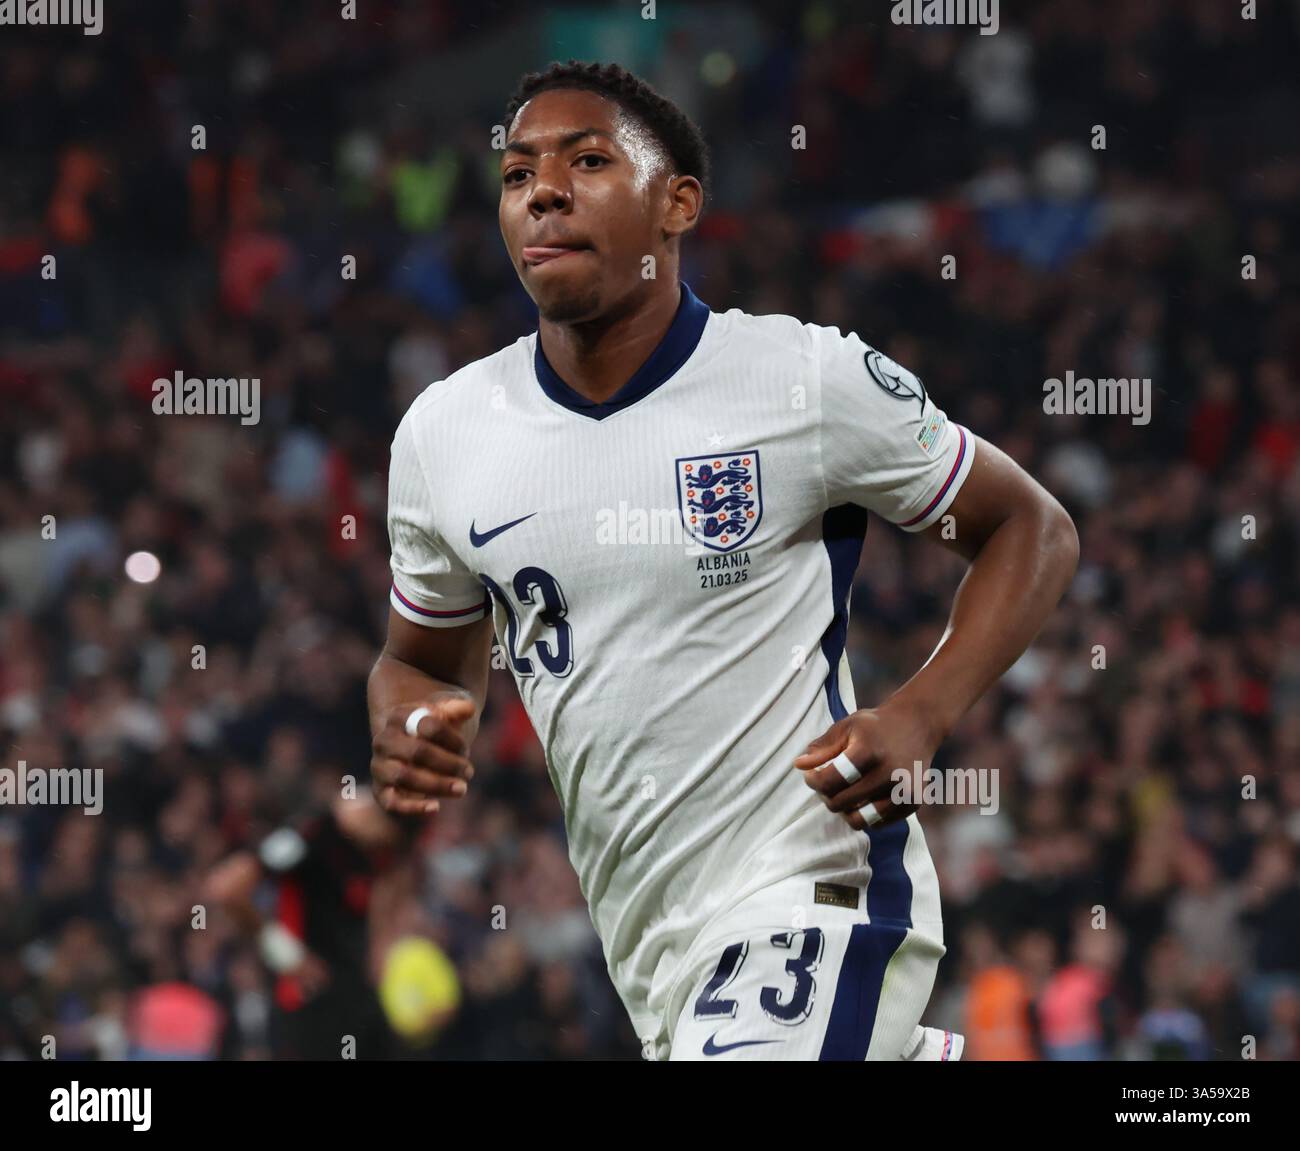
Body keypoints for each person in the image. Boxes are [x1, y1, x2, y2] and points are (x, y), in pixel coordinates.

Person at [367, 60, 1079, 1061]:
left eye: (587, 160)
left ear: (676, 202)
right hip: (657, 952)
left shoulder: (800, 380)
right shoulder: (446, 433)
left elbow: (1031, 527)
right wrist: (403, 716)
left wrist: (920, 711)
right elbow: (424, 661)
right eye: (516, 171)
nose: (544, 190)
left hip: (816, 883)